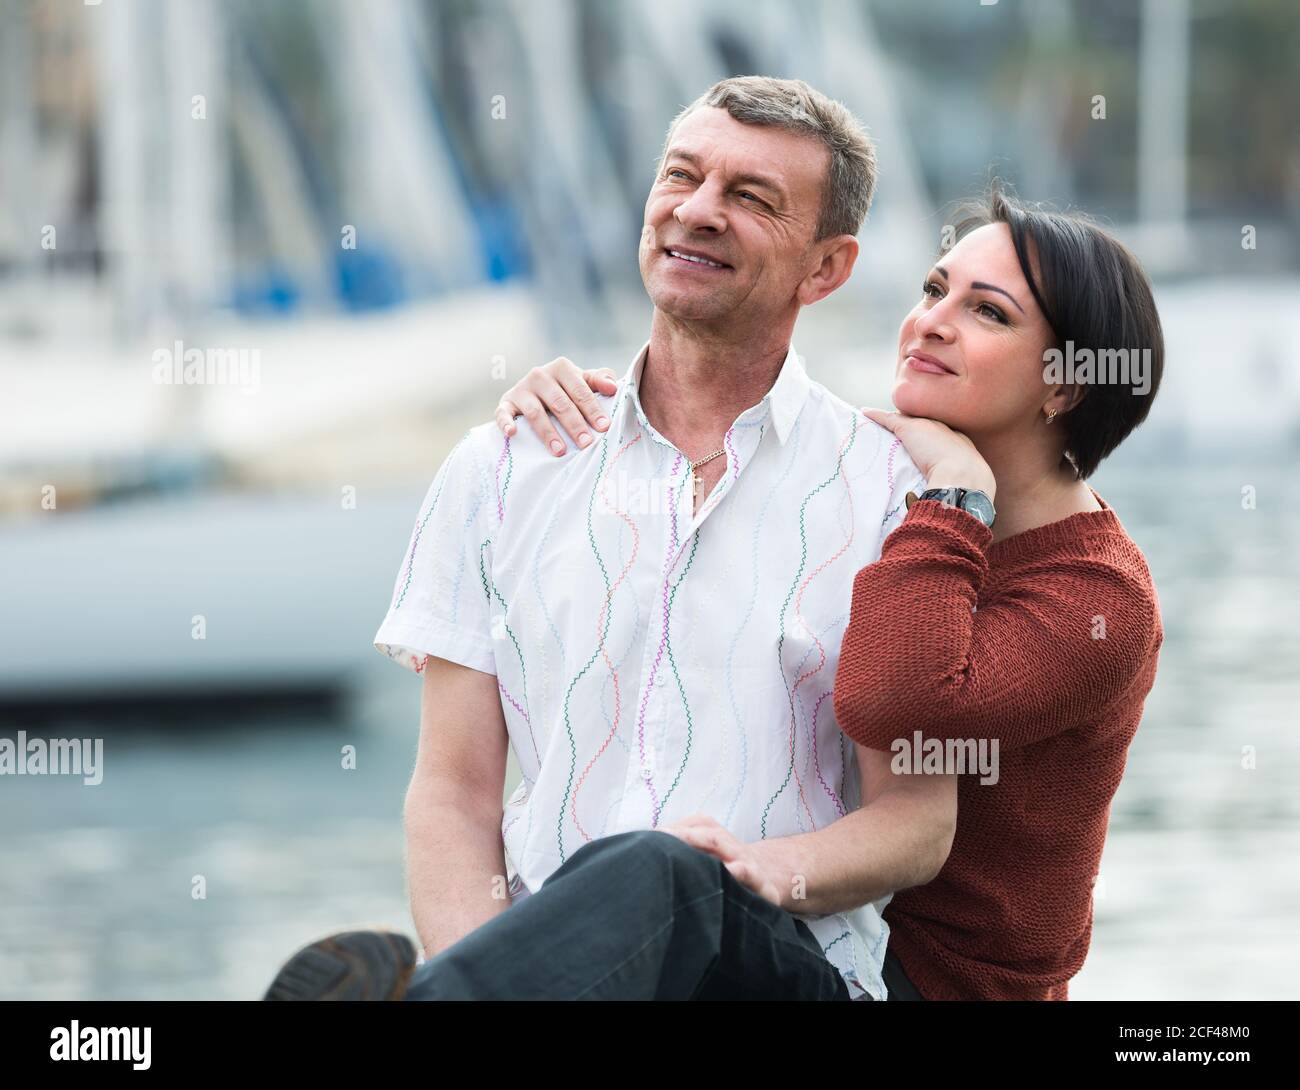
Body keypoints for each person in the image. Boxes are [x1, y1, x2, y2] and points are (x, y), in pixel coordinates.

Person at [264, 75, 952, 1003]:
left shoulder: (887, 492)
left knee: (668, 874)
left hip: (782, 966)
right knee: (638, 886)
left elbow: (915, 821)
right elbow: (454, 794)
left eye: (751, 198)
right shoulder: (499, 468)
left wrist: (755, 870)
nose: (699, 211)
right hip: (559, 981)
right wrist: (489, 966)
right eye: (682, 177)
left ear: (824, 269)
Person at [495, 186, 1166, 1000]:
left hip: (928, 986)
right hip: (816, 943)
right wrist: (562, 408)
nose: (932, 321)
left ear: (1065, 386)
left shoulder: (1100, 602)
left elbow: (894, 699)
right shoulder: (875, 481)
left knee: (672, 878)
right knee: (643, 868)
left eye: (987, 313)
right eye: (932, 289)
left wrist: (955, 492)